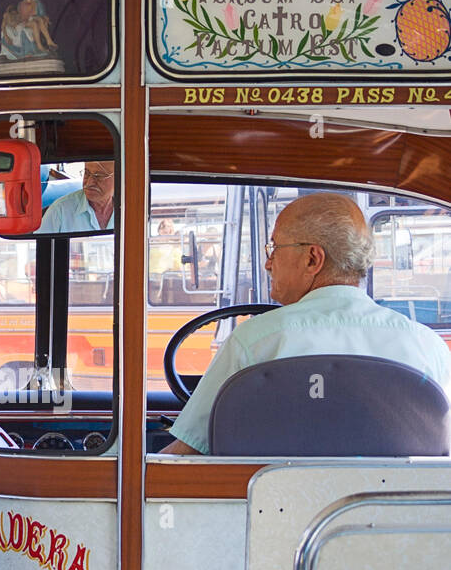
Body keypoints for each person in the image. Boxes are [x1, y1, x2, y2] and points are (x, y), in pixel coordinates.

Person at [165, 191, 451, 455]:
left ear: (313, 258)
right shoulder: (427, 347)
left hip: (270, 508)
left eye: (274, 248)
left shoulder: (255, 342)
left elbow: (189, 453)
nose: (268, 263)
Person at [37, 162, 116, 234]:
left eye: (99, 176)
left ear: (118, 178)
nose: (90, 182)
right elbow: (39, 247)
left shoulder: (127, 210)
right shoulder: (59, 211)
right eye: (87, 173)